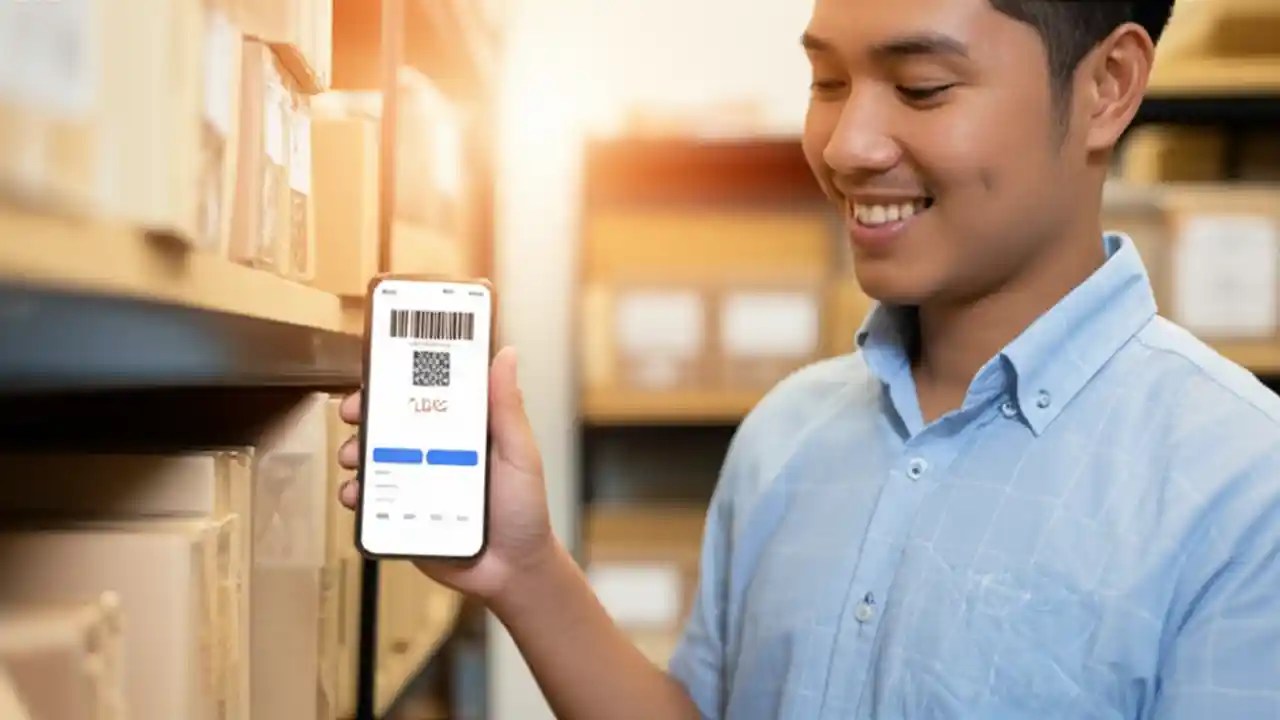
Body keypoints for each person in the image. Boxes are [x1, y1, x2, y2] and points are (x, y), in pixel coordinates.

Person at [337, 0, 1280, 716]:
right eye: (827, 83)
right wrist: (524, 569)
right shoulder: (788, 432)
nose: (846, 144)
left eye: (921, 89)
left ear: (1107, 86)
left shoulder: (1242, 485)